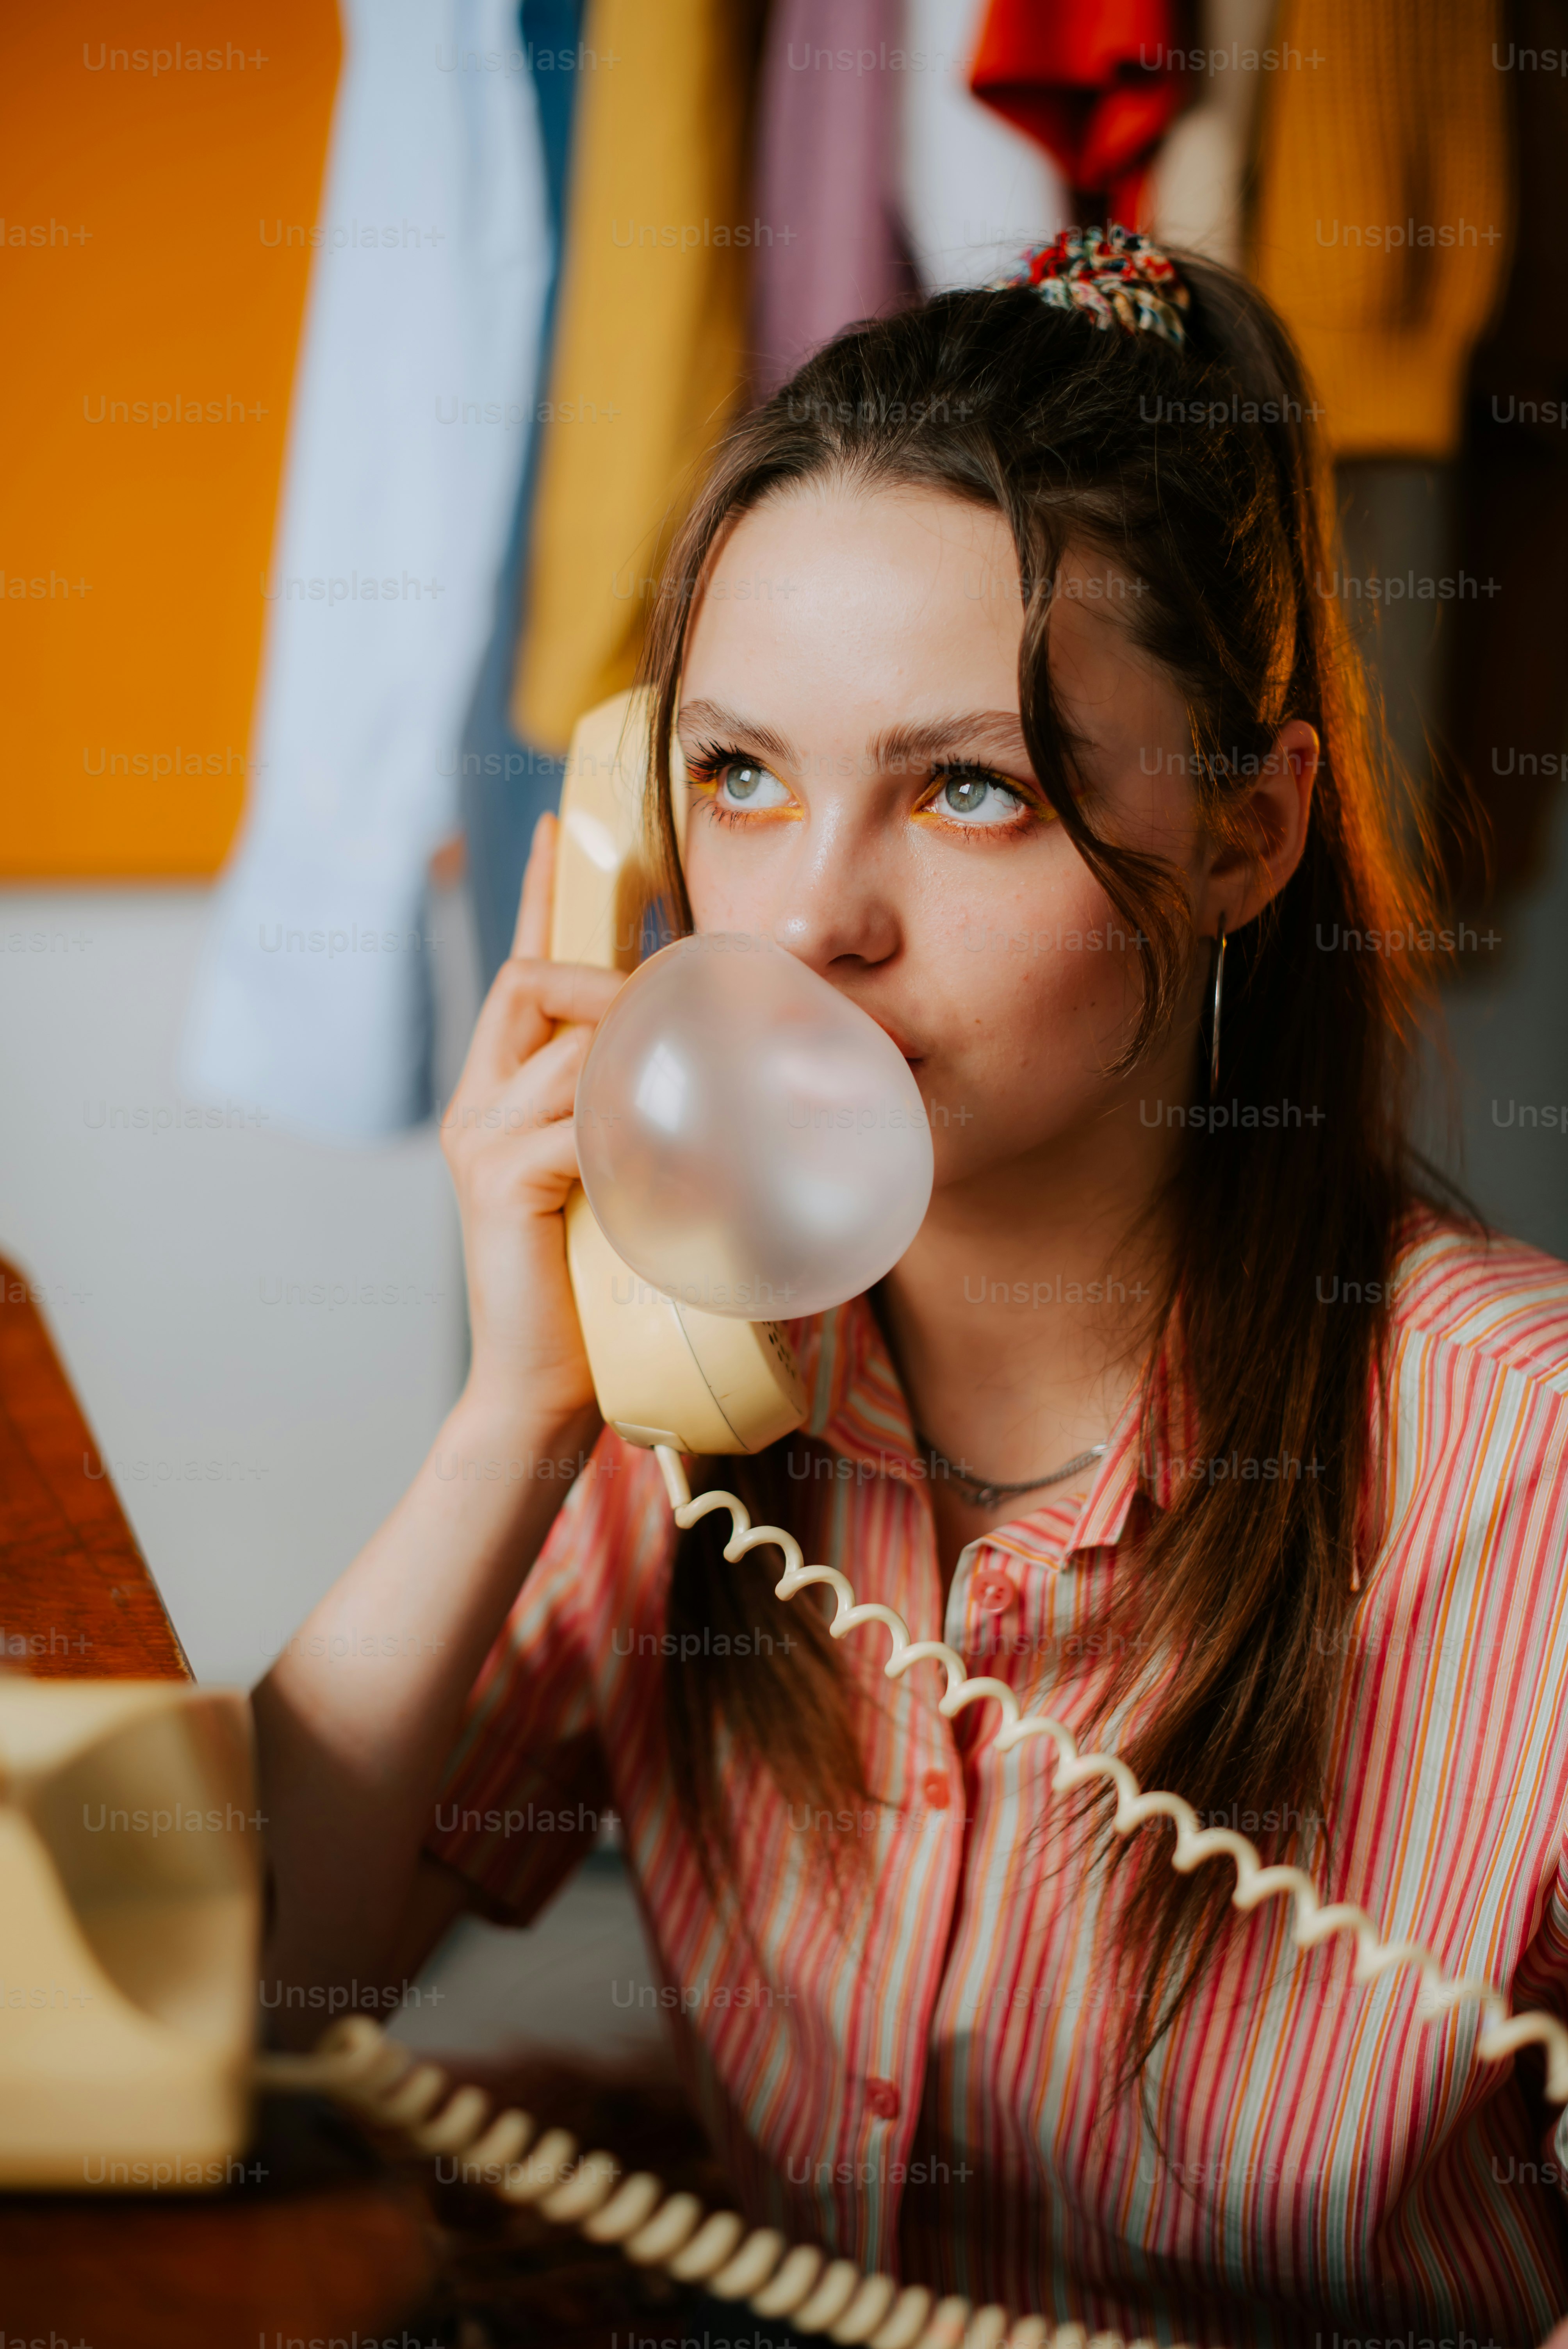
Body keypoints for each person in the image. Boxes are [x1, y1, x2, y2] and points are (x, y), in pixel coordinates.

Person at [252, 230, 1568, 2349]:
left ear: (1247, 835)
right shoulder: (672, 1374)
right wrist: (513, 1416)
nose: (803, 923)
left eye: (968, 788)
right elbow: (229, 1997)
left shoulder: (1533, 1470)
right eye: (738, 776)